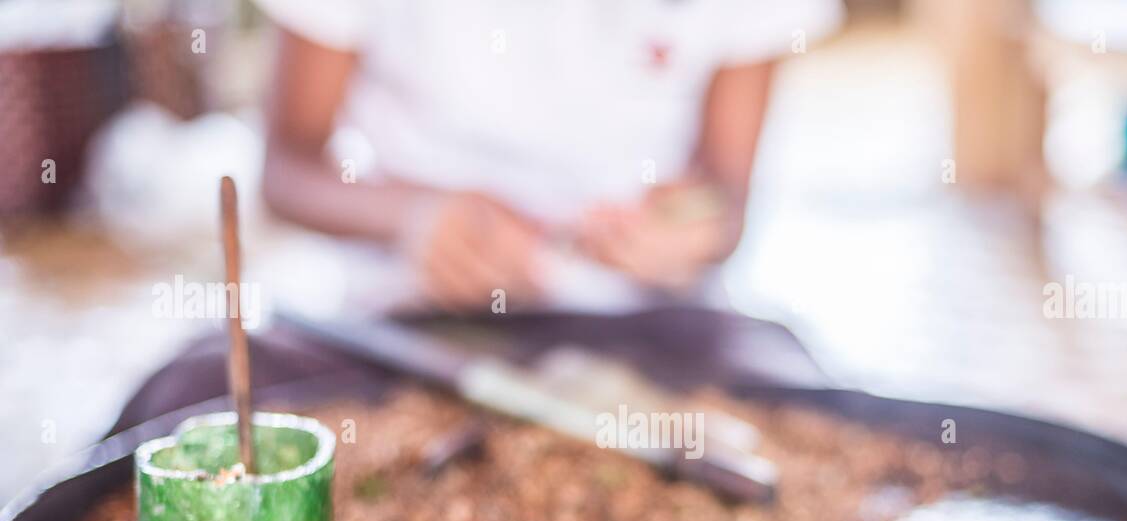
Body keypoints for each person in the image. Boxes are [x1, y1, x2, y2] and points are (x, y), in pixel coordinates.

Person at [255, 0, 843, 313]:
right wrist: (410, 217)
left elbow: (730, 200)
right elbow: (286, 169)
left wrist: (693, 229)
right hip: (399, 312)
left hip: (646, 326)